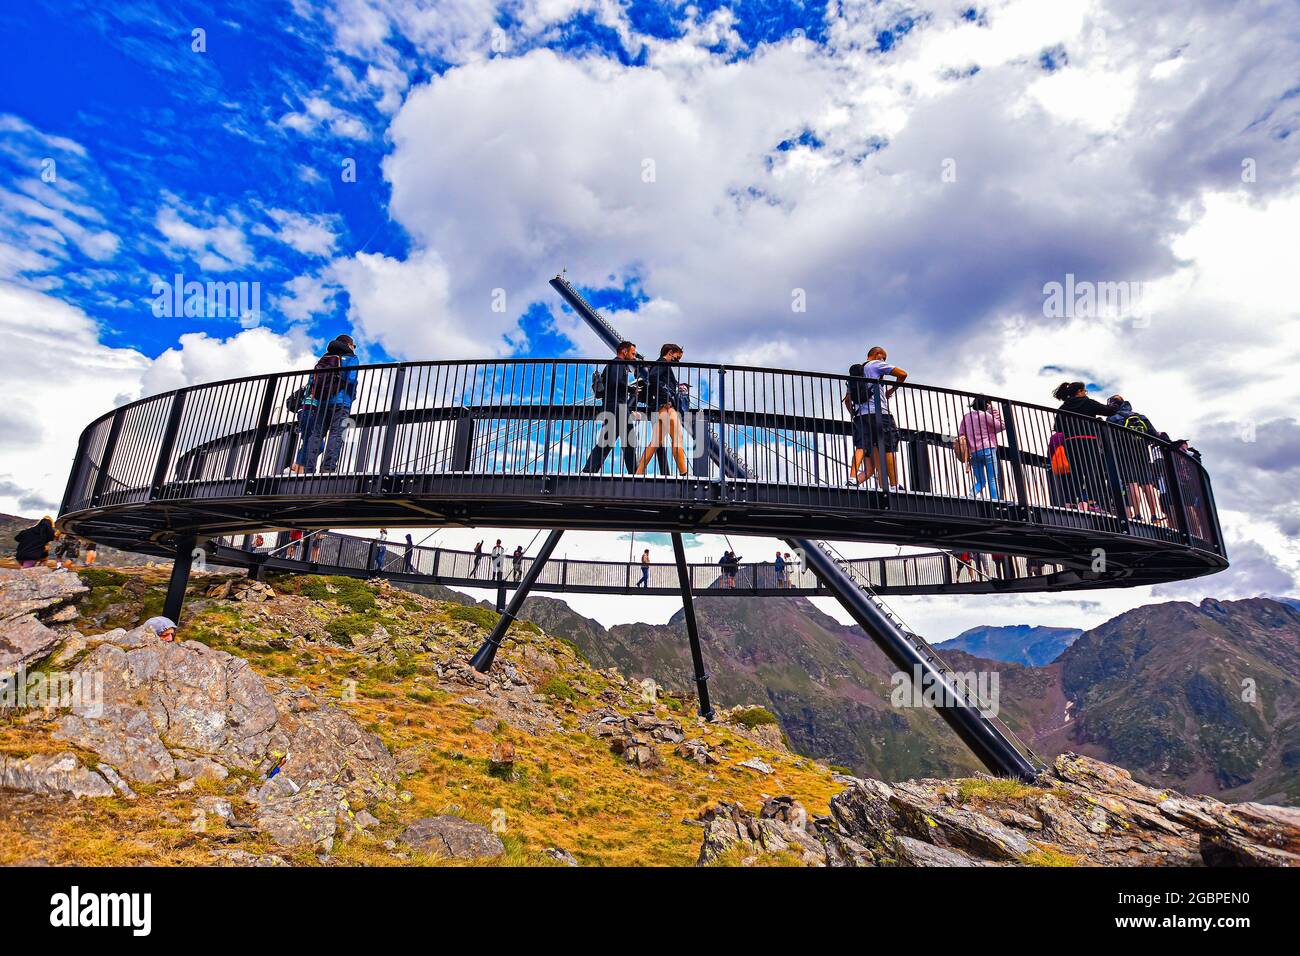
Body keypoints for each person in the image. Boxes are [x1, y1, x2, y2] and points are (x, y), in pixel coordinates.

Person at [847, 348, 906, 491]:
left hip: (861, 416)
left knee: (861, 446)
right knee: (888, 447)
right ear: (876, 355)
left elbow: (847, 401)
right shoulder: (875, 364)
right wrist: (892, 390)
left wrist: (854, 415)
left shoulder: (856, 374)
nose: (884, 361)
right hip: (880, 414)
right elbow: (903, 374)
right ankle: (894, 485)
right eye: (883, 357)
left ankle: (852, 478)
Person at [1051, 381, 1115, 511]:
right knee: (1091, 471)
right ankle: (1091, 503)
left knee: (1076, 473)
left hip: (1070, 442)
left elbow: (1057, 427)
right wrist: (1116, 404)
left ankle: (1071, 503)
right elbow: (1109, 411)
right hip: (1089, 440)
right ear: (1079, 391)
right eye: (1084, 391)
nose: (1086, 393)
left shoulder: (1063, 407)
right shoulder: (1088, 402)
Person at [584, 340, 644, 474]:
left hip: (613, 406)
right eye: (633, 354)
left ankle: (589, 470)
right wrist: (631, 389)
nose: (634, 357)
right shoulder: (618, 363)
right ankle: (634, 474)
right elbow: (615, 382)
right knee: (627, 441)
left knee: (608, 442)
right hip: (617, 407)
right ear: (624, 351)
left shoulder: (615, 364)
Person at [1106, 395, 1166, 524]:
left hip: (1124, 454)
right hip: (1142, 453)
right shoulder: (1140, 416)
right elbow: (1154, 434)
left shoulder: (1113, 418)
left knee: (1132, 483)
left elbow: (1109, 438)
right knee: (1147, 484)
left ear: (1113, 404)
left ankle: (1138, 514)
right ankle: (1154, 515)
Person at [635, 344, 690, 476]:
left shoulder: (660, 364)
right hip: (667, 408)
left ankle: (638, 473)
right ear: (670, 352)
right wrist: (667, 397)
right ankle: (684, 474)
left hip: (660, 409)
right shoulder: (663, 363)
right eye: (677, 357)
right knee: (678, 438)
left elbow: (654, 380)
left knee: (655, 443)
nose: (677, 361)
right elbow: (653, 378)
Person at [319, 335, 360, 473]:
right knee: (337, 434)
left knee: (317, 434)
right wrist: (352, 396)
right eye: (354, 346)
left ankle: (306, 467)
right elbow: (352, 379)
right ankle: (328, 468)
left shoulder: (326, 357)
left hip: (323, 400)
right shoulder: (352, 358)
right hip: (342, 401)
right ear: (349, 344)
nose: (354, 348)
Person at [958, 397, 1004, 500]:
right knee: (992, 479)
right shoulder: (985, 416)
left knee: (980, 481)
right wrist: (992, 409)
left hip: (973, 453)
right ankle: (996, 502)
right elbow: (1002, 426)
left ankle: (971, 495)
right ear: (986, 405)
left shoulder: (966, 417)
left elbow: (961, 434)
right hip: (988, 449)